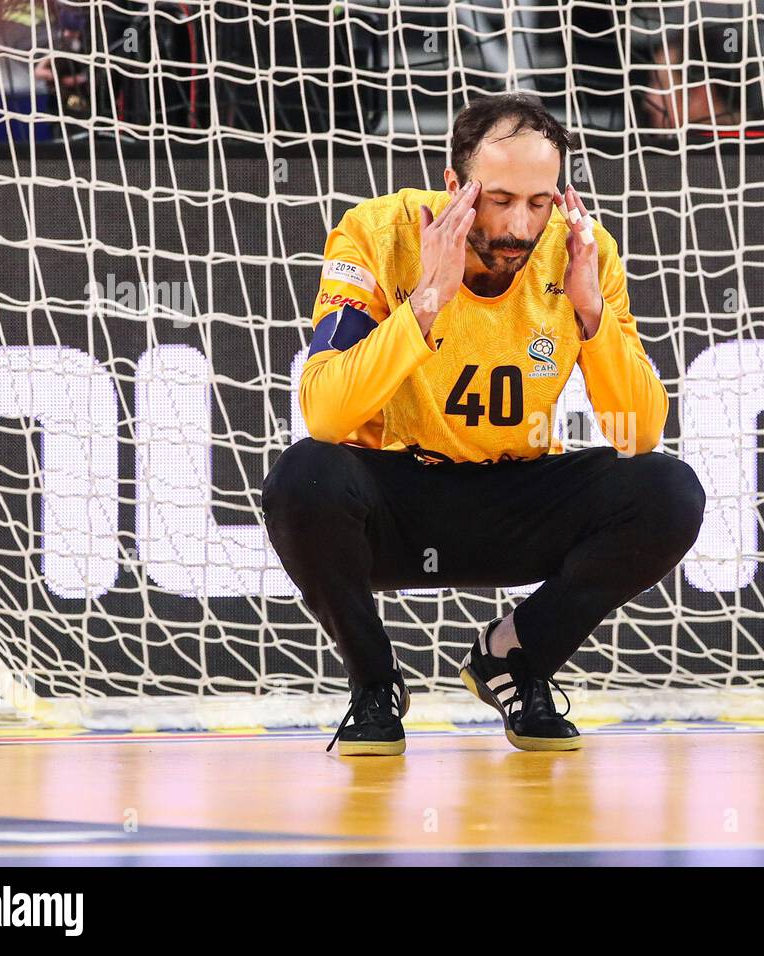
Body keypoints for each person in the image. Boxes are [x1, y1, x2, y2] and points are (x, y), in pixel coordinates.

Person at [260, 92, 706, 756]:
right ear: (454, 187)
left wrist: (593, 319)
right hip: (397, 505)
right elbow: (324, 411)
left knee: (669, 491)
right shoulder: (378, 235)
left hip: (515, 499)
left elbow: (638, 434)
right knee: (303, 477)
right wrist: (426, 304)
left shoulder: (582, 253)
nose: (519, 227)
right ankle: (374, 685)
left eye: (538, 203)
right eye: (498, 200)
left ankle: (515, 659)